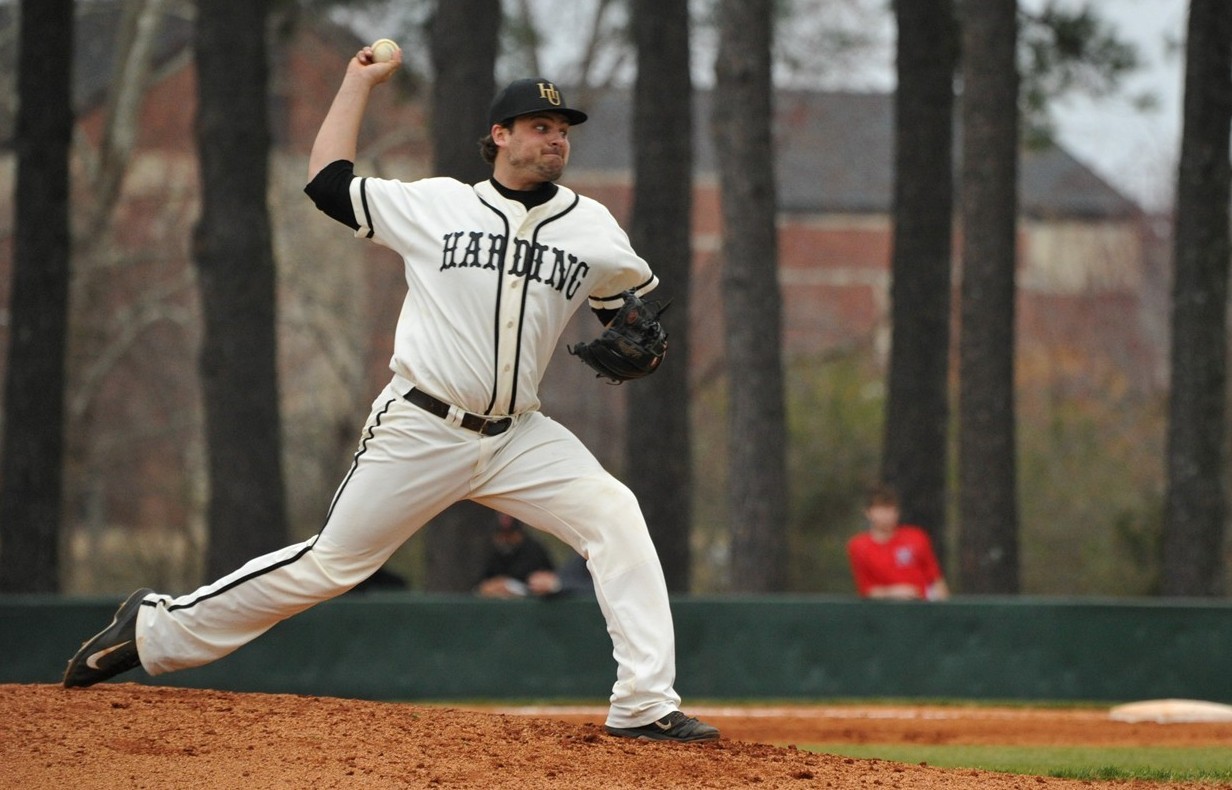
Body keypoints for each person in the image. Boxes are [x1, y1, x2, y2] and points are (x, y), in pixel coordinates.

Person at [61, 44, 719, 744]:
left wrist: (640, 340)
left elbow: (628, 309)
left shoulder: (593, 226)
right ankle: (156, 628)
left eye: (562, 129)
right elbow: (326, 183)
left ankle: (643, 703)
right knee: (329, 565)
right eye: (540, 126)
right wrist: (356, 82)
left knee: (615, 515)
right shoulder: (437, 204)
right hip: (422, 424)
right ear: (499, 135)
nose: (556, 138)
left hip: (518, 435)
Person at [847, 483, 950, 601]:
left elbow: (936, 579)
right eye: (881, 509)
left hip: (920, 606)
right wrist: (893, 592)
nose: (887, 515)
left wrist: (943, 608)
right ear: (868, 512)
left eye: (891, 509)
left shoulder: (916, 537)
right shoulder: (858, 546)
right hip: (884, 609)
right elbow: (866, 590)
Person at [475, 513, 561, 598]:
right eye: (501, 535)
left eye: (510, 535)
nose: (505, 539)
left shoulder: (533, 549)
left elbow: (550, 582)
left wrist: (509, 586)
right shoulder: (492, 551)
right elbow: (482, 582)